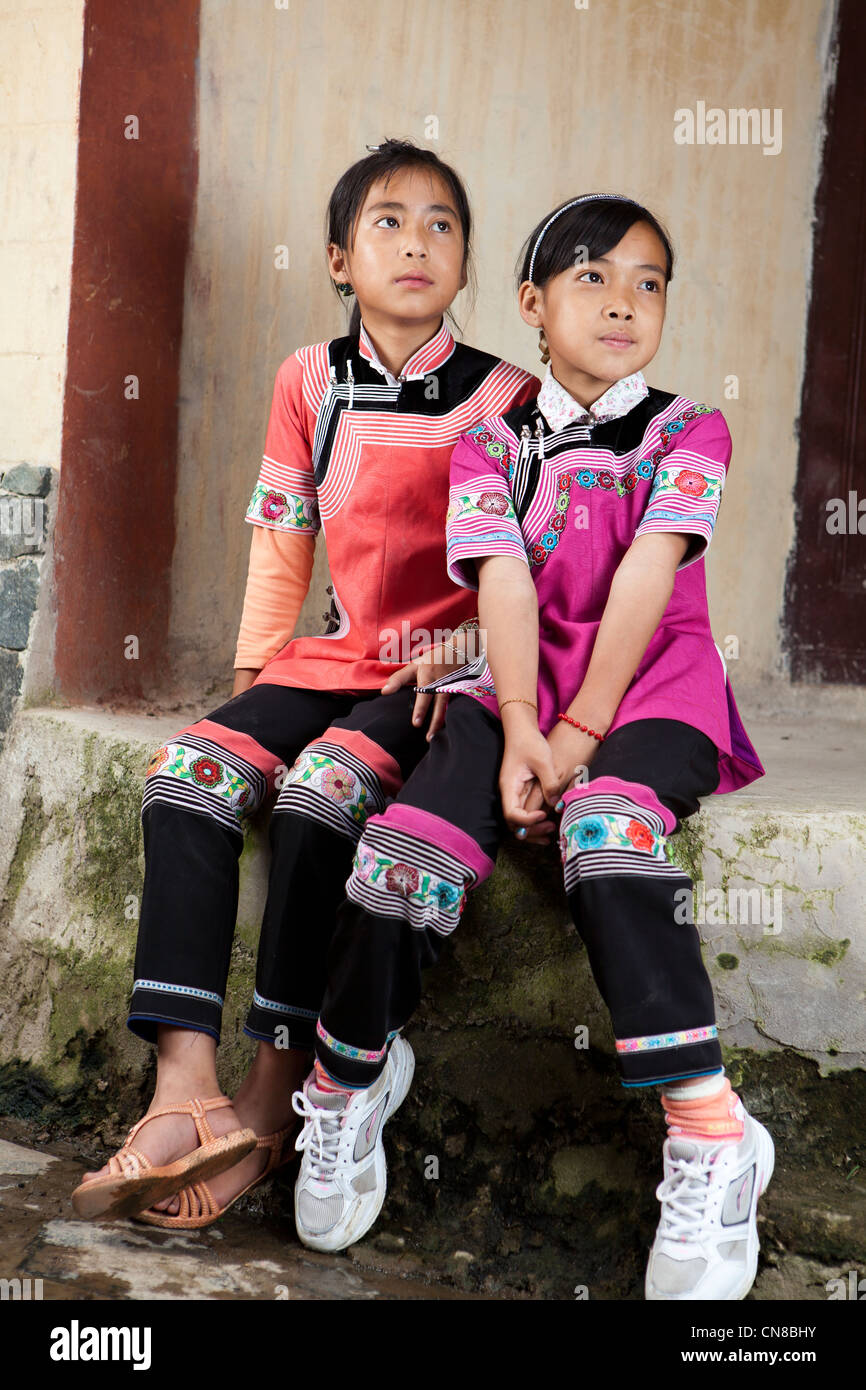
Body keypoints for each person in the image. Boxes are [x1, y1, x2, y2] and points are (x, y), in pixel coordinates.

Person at [291, 193, 773, 1302]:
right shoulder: (488, 445)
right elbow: (501, 581)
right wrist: (517, 725)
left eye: (647, 282)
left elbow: (649, 577)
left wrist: (575, 736)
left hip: (652, 692)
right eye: (592, 278)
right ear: (531, 305)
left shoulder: (687, 427)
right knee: (396, 857)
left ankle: (709, 1133)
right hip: (508, 687)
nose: (622, 303)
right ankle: (344, 1078)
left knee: (602, 837)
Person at [70, 139, 538, 1226]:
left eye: (439, 225)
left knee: (322, 792)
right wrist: (250, 685)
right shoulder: (307, 380)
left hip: (439, 673)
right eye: (386, 222)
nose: (415, 242)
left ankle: (275, 1096)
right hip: (330, 655)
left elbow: (532, 568)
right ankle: (185, 1090)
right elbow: (282, 533)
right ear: (337, 257)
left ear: (465, 264)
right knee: (191, 771)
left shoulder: (506, 397)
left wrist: (475, 659)